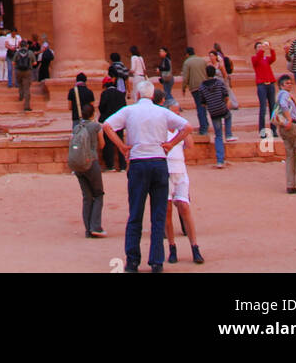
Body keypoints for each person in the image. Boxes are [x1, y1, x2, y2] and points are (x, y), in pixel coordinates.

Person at [102, 80, 190, 274]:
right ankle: (156, 262)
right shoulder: (162, 112)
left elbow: (107, 126)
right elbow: (187, 127)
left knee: (135, 214)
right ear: (152, 96)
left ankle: (132, 262)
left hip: (138, 163)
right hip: (159, 163)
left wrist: (122, 147)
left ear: (138, 95)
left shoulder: (129, 111)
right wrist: (171, 144)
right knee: (158, 215)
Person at [160, 96, 204, 264]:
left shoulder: (181, 127)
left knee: (185, 207)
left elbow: (190, 145)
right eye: (175, 112)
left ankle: (194, 246)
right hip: (166, 170)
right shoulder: (161, 127)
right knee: (168, 211)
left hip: (180, 170)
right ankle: (172, 247)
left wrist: (183, 128)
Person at [71, 100, 107, 238]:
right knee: (98, 194)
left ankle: (88, 229)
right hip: (91, 161)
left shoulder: (77, 128)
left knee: (87, 197)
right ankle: (96, 226)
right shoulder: (96, 126)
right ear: (93, 114)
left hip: (78, 164)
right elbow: (102, 145)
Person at [197, 63, 230, 168]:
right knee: (228, 116)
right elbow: (226, 95)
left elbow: (202, 102)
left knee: (218, 135)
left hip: (213, 111)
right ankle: (229, 134)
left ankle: (220, 161)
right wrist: (224, 104)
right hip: (222, 107)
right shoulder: (219, 83)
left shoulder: (202, 86)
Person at [99, 57, 128, 171]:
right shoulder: (120, 94)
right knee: (119, 141)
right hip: (119, 121)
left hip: (108, 121)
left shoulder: (105, 94)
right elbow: (124, 107)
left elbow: (102, 108)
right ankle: (122, 166)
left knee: (109, 143)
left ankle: (110, 165)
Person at [207, 50, 236, 143]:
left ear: (216, 56)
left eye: (212, 56)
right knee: (223, 113)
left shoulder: (220, 65)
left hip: (220, 88)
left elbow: (225, 76)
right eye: (210, 56)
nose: (211, 57)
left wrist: (227, 88)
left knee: (223, 111)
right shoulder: (209, 66)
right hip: (213, 89)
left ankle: (224, 135)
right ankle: (226, 135)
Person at [251, 39, 277, 134]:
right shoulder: (254, 58)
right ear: (255, 49)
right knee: (263, 108)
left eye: (261, 46)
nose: (260, 48)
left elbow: (273, 58)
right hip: (261, 85)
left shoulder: (266, 59)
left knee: (273, 107)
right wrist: (262, 50)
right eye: (258, 47)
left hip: (270, 84)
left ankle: (274, 130)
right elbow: (257, 59)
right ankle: (262, 131)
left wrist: (271, 49)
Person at [181, 47, 209, 134]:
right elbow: (207, 73)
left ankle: (203, 128)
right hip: (205, 86)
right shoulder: (202, 61)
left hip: (195, 88)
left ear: (187, 54)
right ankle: (206, 124)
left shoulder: (187, 62)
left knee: (200, 107)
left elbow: (185, 77)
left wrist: (183, 87)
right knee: (203, 106)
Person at [14, 38, 34, 111]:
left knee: (20, 84)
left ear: (20, 45)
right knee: (27, 88)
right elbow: (34, 63)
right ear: (27, 46)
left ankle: (21, 96)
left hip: (19, 71)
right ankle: (26, 106)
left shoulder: (17, 53)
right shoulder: (30, 52)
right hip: (27, 71)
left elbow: (13, 62)